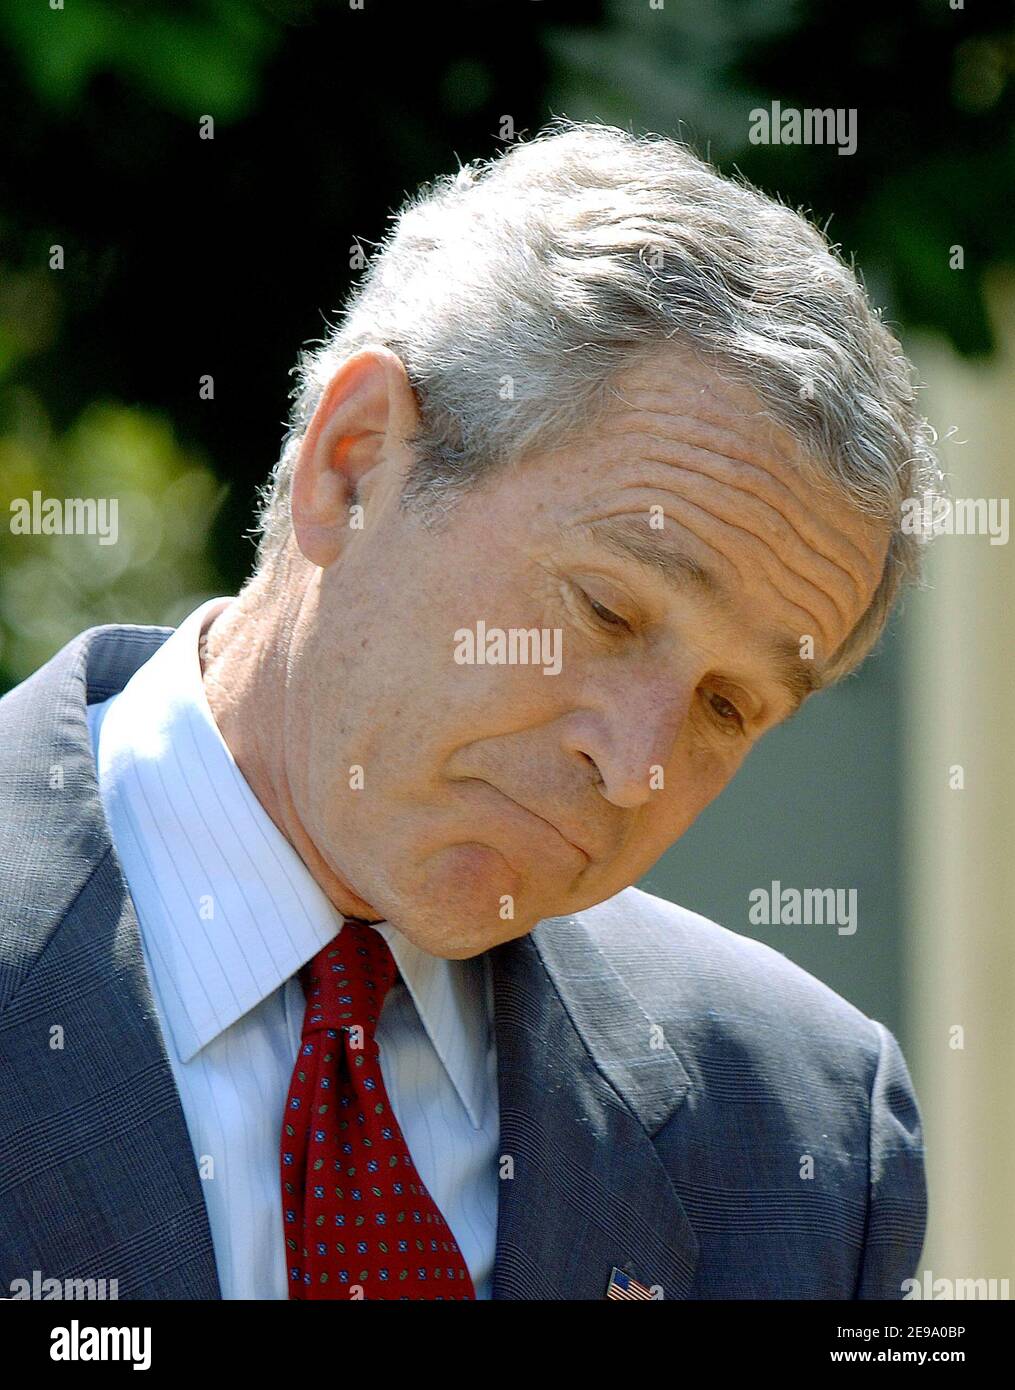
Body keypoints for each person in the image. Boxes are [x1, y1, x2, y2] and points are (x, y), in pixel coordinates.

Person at [0, 120, 935, 1300]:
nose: (638, 764)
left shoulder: (802, 1134)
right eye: (605, 610)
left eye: (727, 704)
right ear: (355, 465)